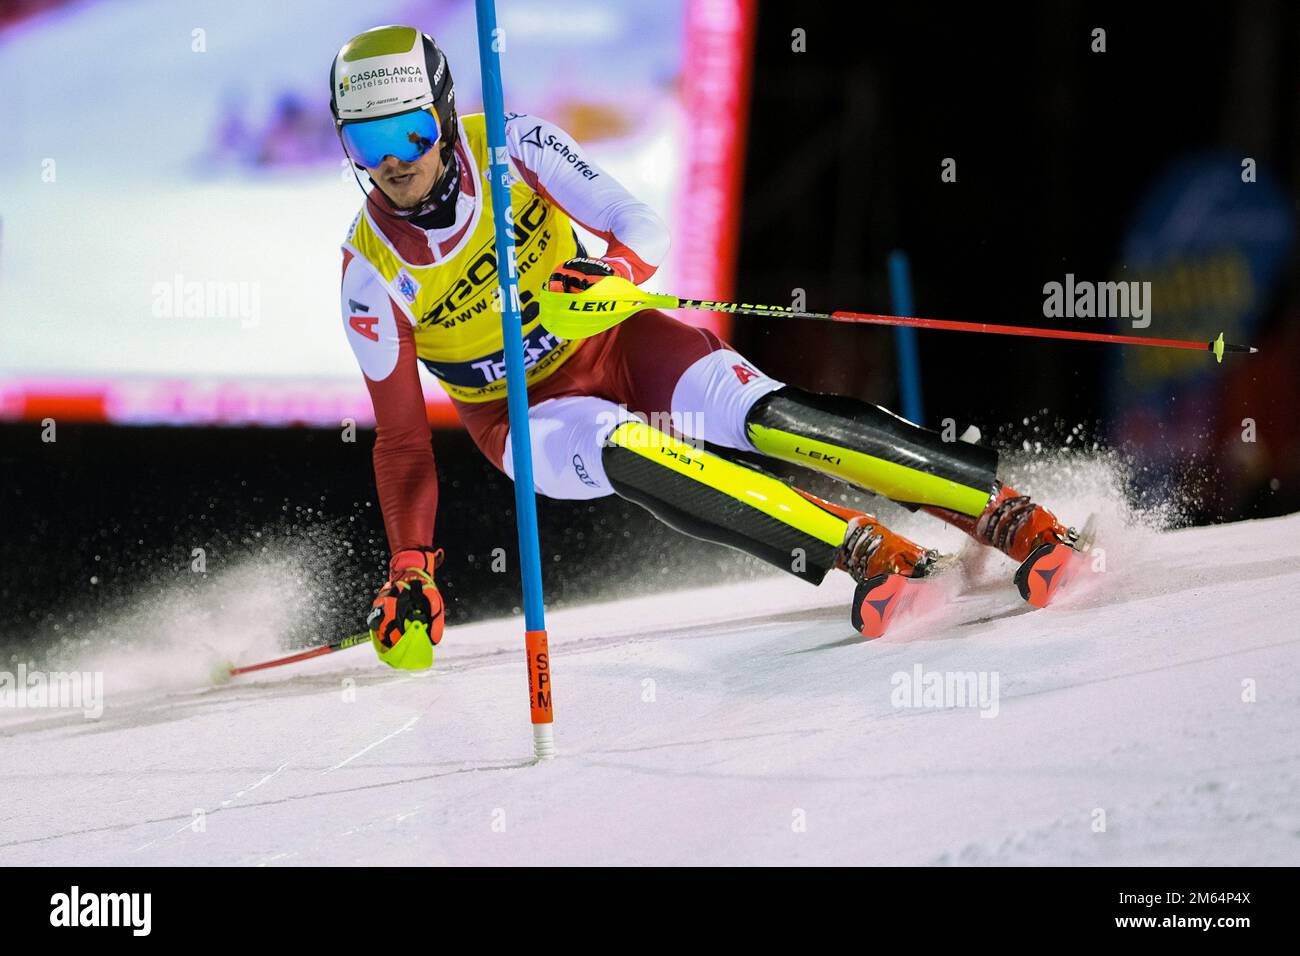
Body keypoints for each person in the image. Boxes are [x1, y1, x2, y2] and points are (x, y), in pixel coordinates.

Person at [331, 25, 1079, 669]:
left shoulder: (511, 144)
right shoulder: (370, 273)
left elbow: (637, 221)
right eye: (368, 142)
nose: (395, 161)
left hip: (619, 341)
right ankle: (872, 556)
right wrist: (410, 568)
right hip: (525, 418)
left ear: (442, 112)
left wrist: (614, 271)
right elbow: (401, 442)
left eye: (411, 132)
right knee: (640, 454)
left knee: (772, 419)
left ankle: (1013, 517)